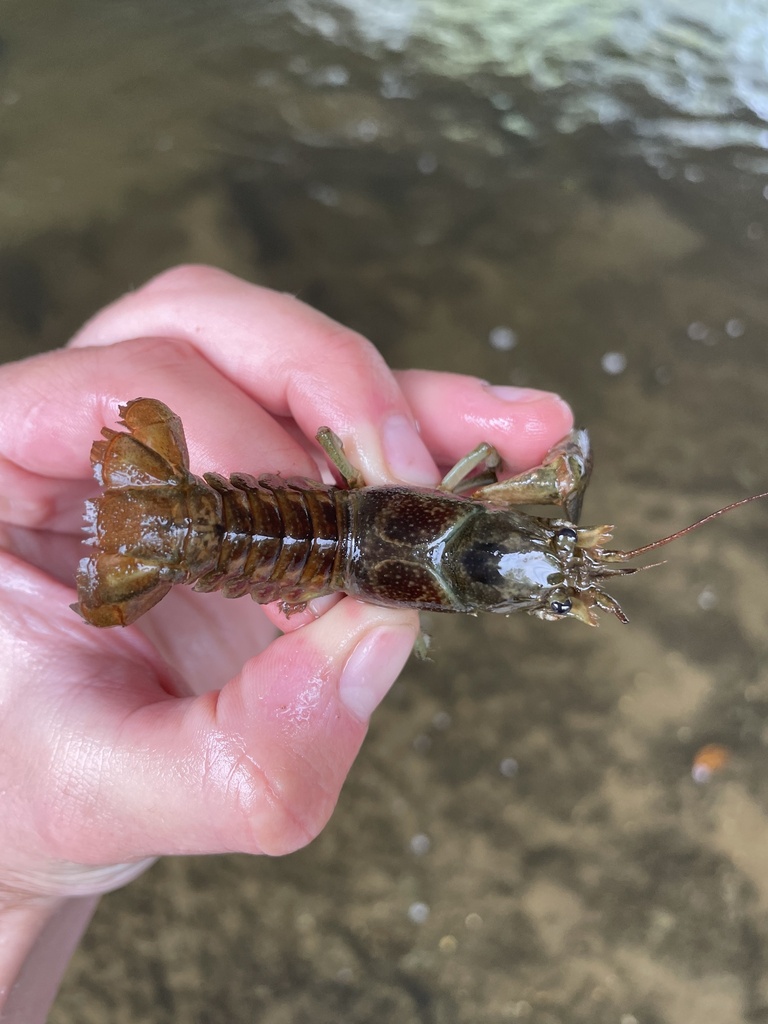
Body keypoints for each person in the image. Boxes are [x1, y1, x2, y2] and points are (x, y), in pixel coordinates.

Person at [0, 266, 573, 1021]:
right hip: (294, 552)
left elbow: (456, 464)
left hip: (301, 536)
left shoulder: (462, 490)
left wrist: (16, 882)